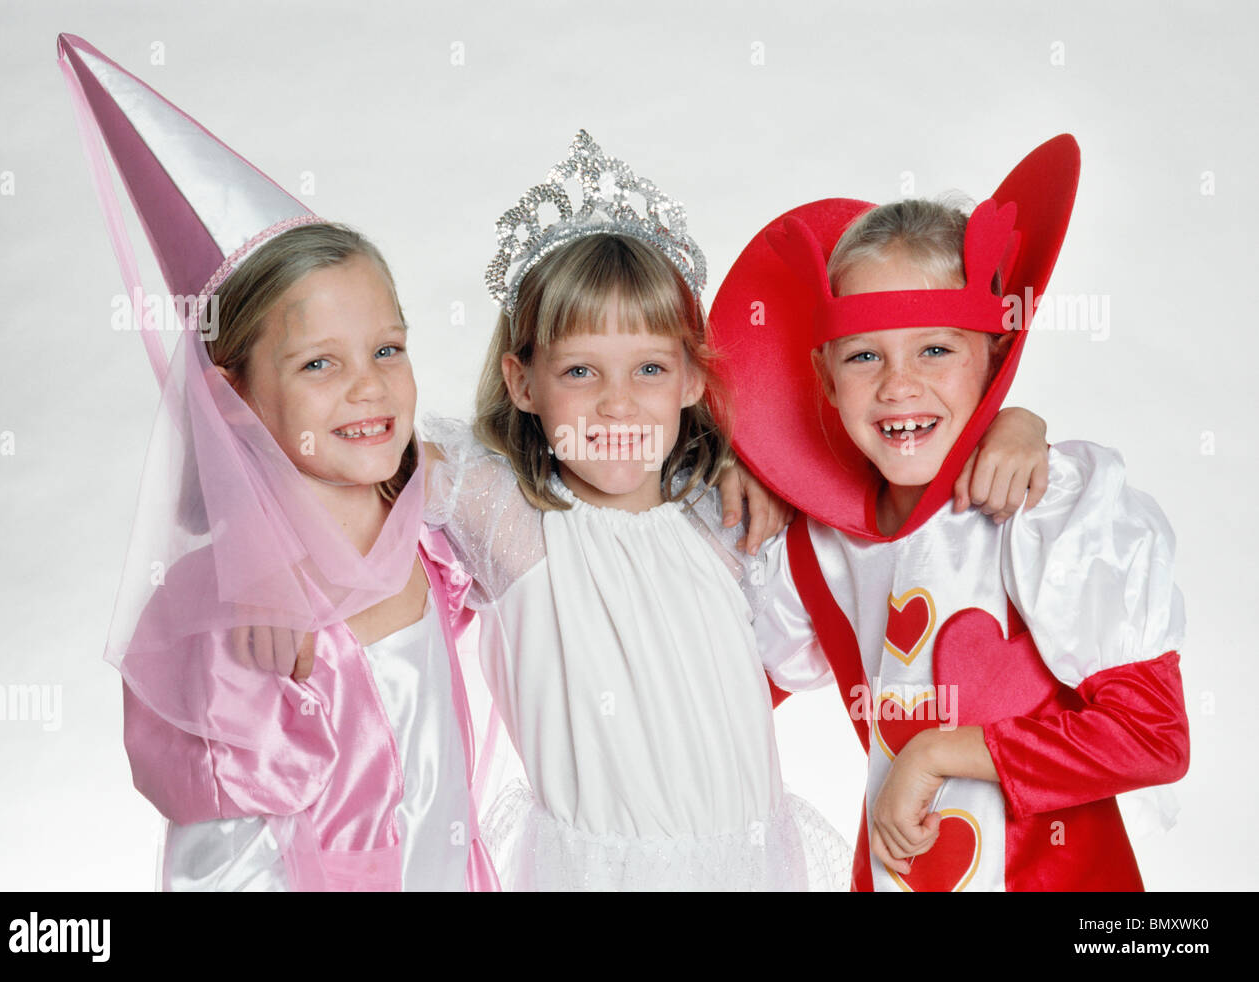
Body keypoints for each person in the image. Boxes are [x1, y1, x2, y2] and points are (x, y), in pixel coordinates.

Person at [410, 131, 1053, 890]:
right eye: (579, 371)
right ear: (522, 384)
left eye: (650, 368)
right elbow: (348, 461)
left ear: (691, 378)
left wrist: (1014, 421)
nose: (618, 402)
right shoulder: (505, 515)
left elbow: (892, 457)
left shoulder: (729, 519)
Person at [60, 34, 496, 890]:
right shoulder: (233, 625)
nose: (369, 389)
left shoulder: (430, 528)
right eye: (318, 364)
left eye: (387, 349)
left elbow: (553, 473)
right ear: (232, 397)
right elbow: (221, 870)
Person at [712, 135, 1190, 891]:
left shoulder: (1042, 506)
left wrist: (935, 751)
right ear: (824, 379)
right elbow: (710, 690)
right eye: (865, 355)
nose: (899, 385)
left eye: (935, 349)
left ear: (993, 356)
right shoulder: (813, 551)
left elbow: (1152, 737)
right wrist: (749, 460)